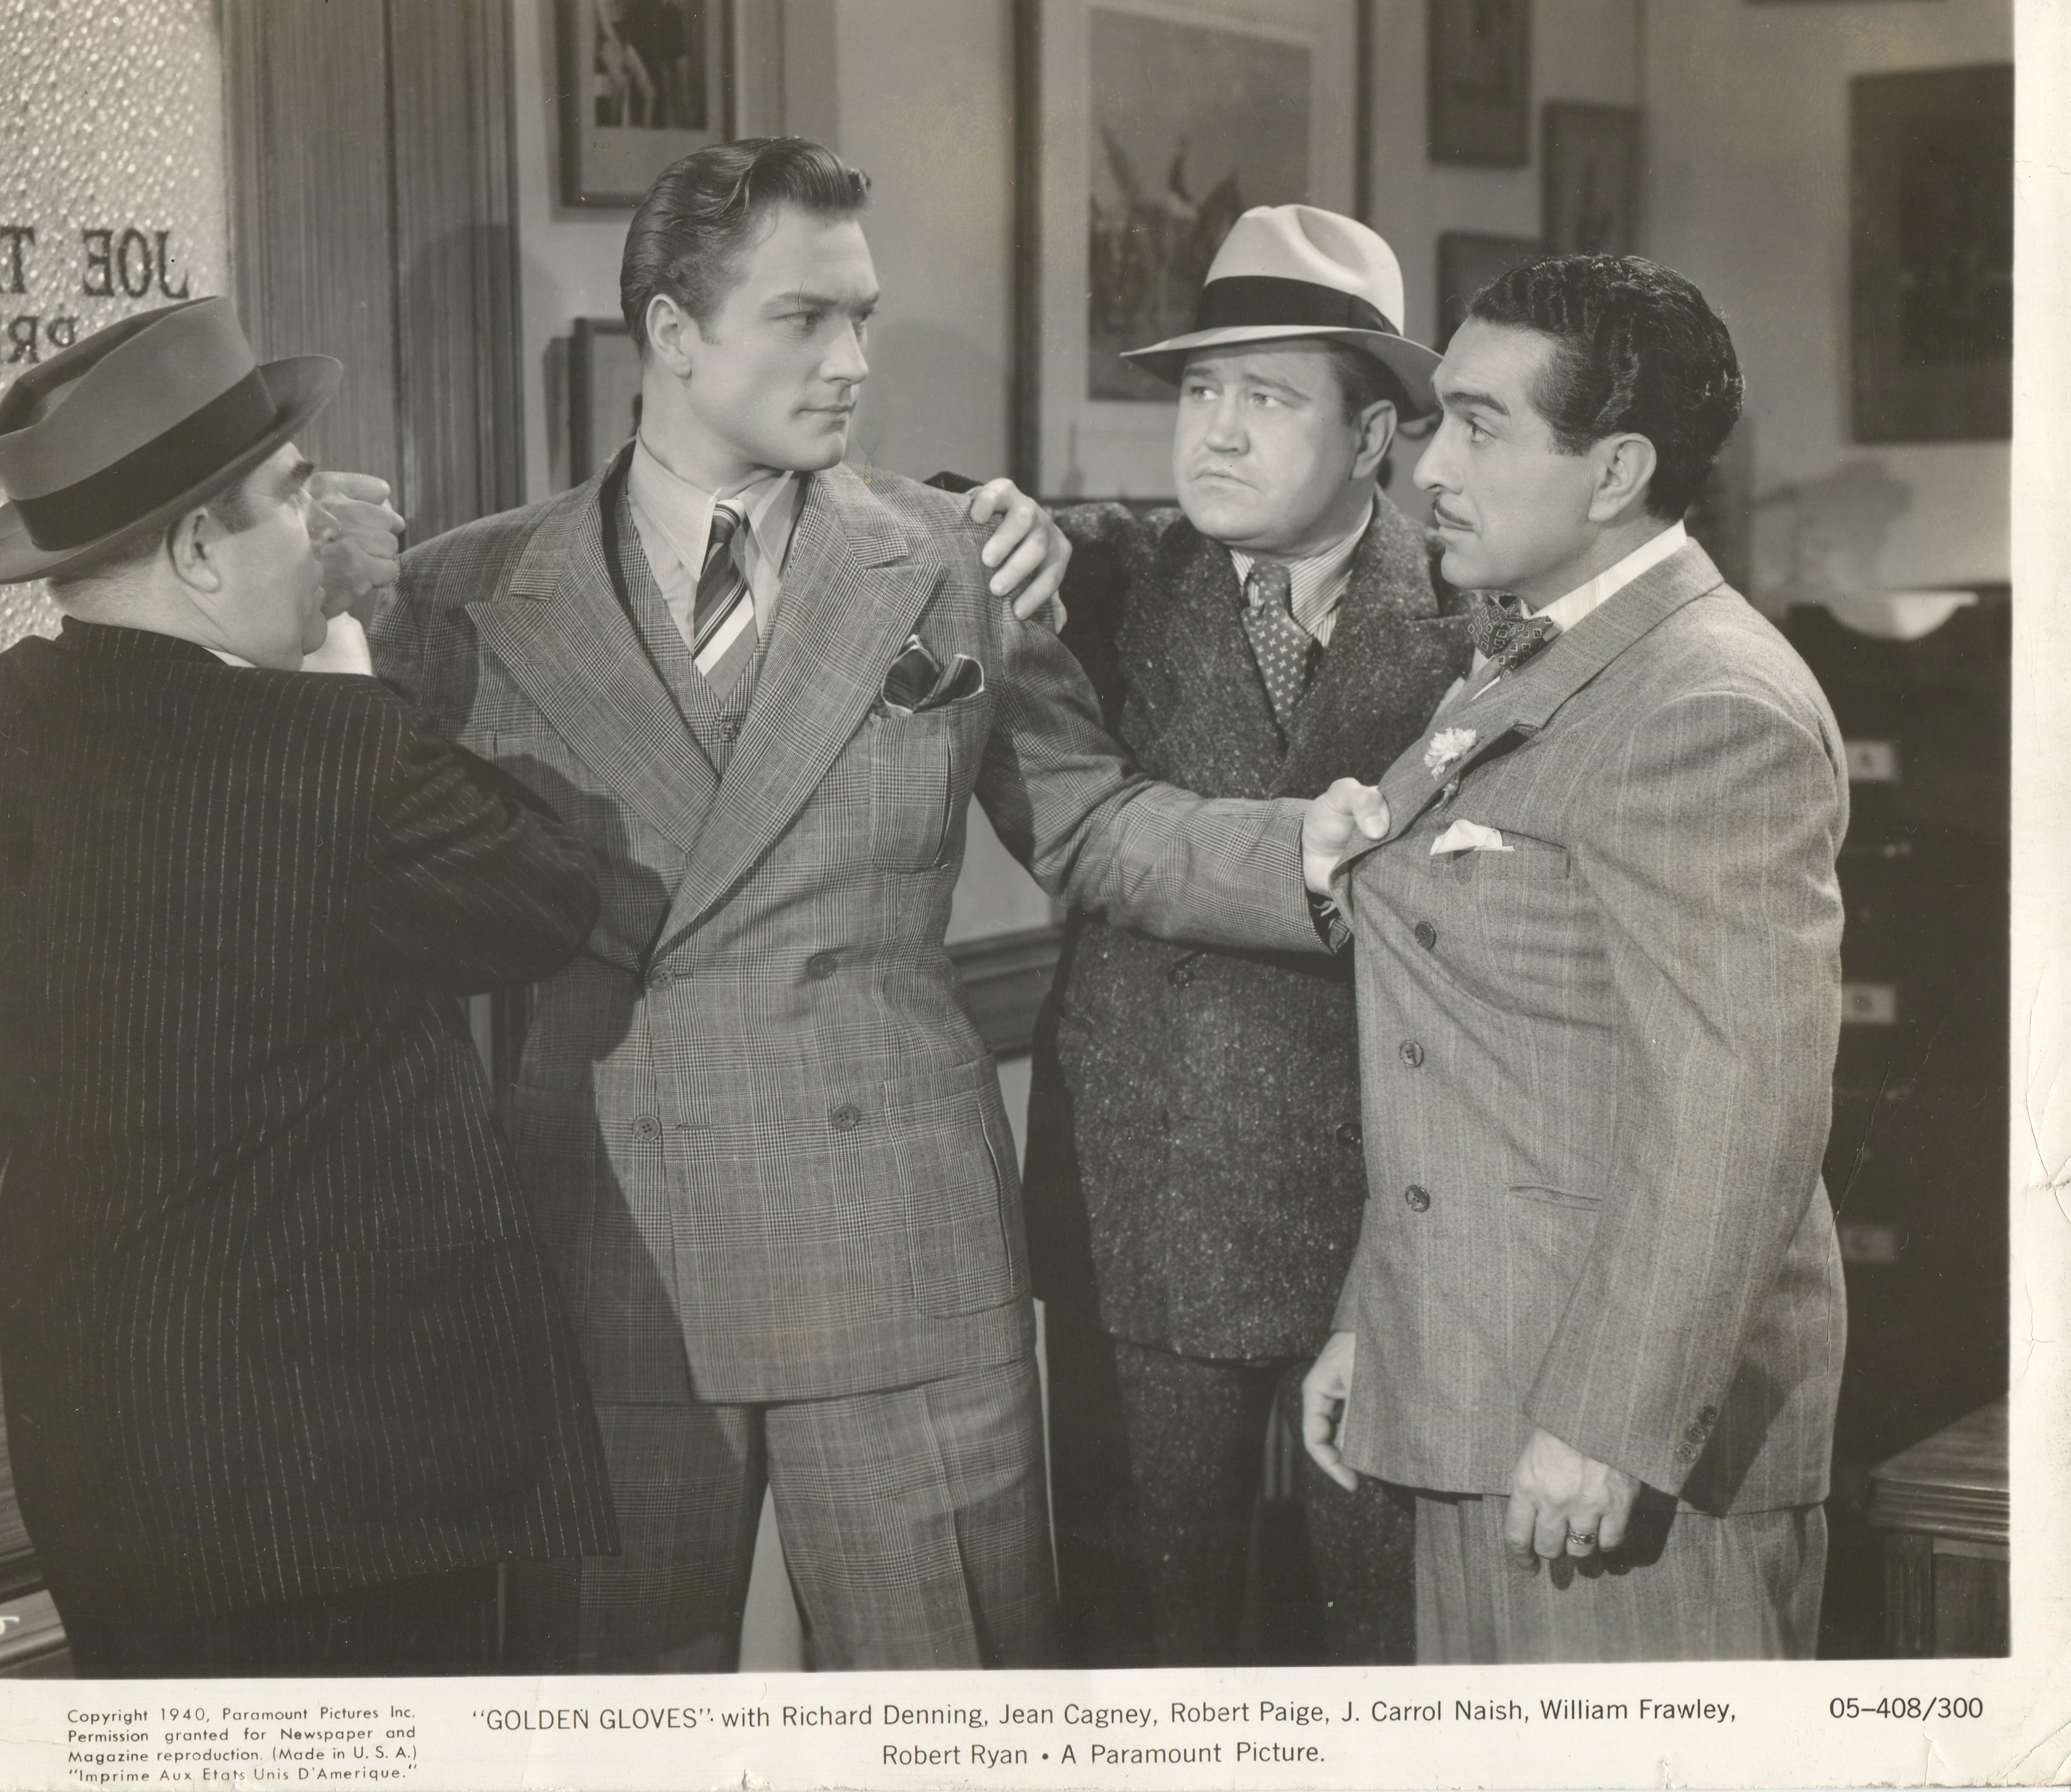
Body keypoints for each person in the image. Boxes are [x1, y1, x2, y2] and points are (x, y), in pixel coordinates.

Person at [370, 137, 1333, 1672]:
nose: (852, 363)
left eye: (864, 319)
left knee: (947, 1704)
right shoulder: (458, 596)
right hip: (613, 1233)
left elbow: (1091, 824)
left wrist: (1328, 854)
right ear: (673, 333)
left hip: (898, 1241)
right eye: (804, 320)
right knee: (615, 1710)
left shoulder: (945, 558)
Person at [0, 296, 616, 1677]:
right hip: (350, 1475)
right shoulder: (323, 751)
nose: (328, 534)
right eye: (292, 498)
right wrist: (347, 687)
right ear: (197, 547)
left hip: (98, 1453)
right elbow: (550, 900)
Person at [1297, 252, 1849, 1662]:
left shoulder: (1705, 702)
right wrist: (1385, 1316)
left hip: (1621, 1452)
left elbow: (1739, 1108)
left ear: (1612, 472)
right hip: (1481, 1391)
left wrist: (1609, 1419)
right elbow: (1475, 1043)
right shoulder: (1529, 657)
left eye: (1477, 425)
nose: (1427, 464)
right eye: (1434, 420)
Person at [1024, 205, 1473, 1667]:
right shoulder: (1105, 578)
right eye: (1199, 392)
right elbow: (975, 518)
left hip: (1396, 1209)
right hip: (1146, 1192)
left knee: (1387, 1634)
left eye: (1266, 399)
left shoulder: (1476, 620)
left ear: (1373, 438)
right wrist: (998, 511)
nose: (1212, 433)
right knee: (1151, 1636)